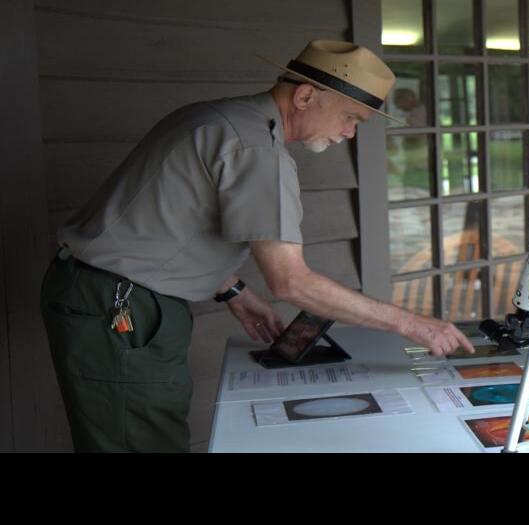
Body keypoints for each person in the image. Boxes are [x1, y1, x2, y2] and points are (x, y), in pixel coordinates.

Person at [39, 40, 475, 452]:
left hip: (110, 296)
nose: (350, 133)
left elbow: (170, 218)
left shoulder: (219, 118)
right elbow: (290, 282)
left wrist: (233, 291)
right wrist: (413, 324)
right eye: (350, 118)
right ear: (305, 97)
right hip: (122, 306)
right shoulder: (255, 149)